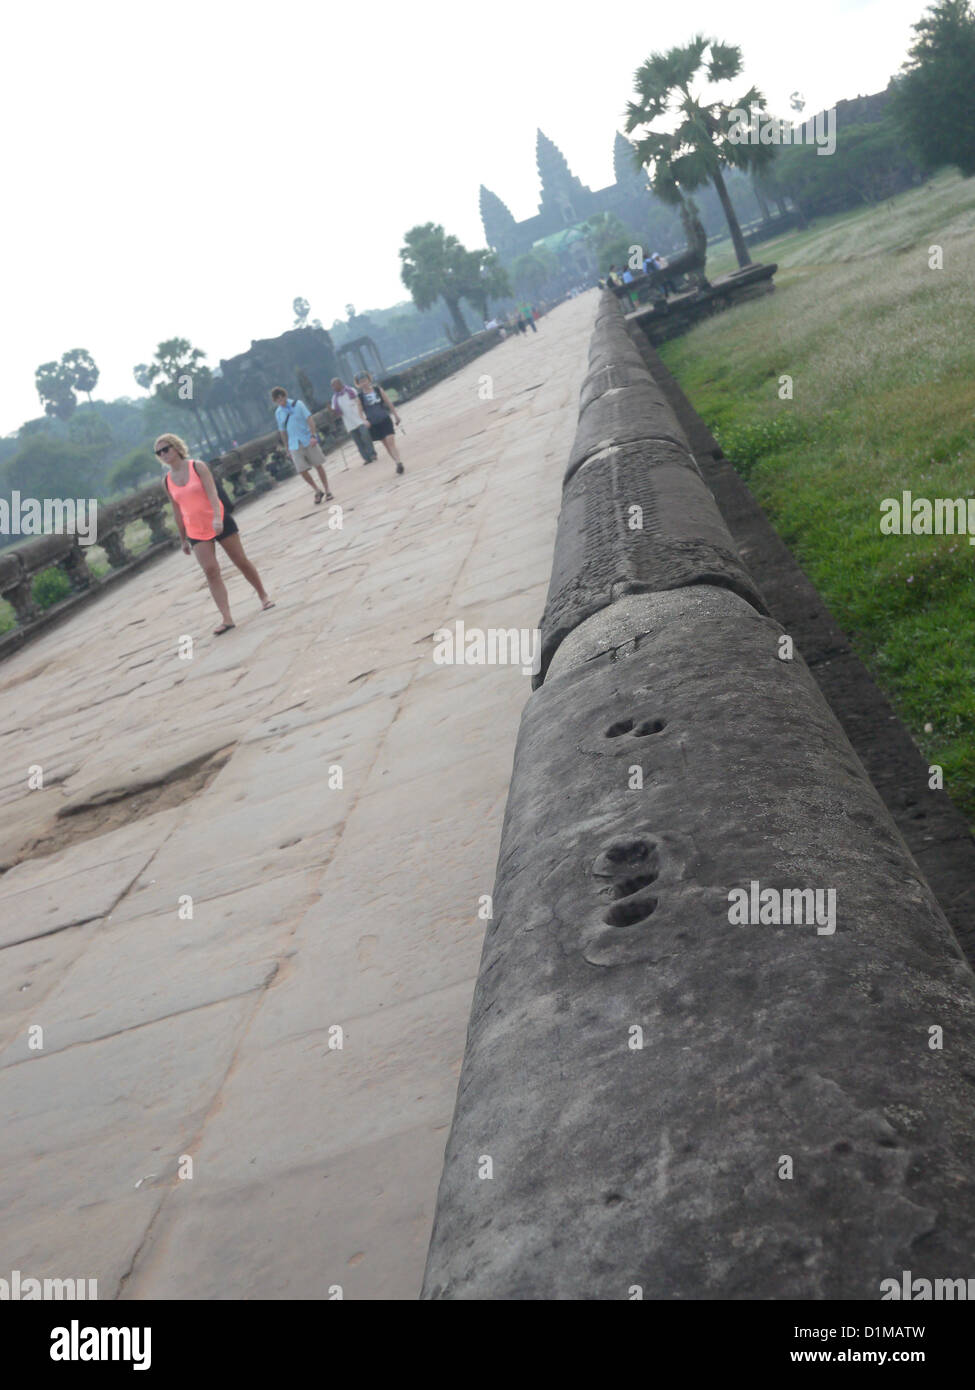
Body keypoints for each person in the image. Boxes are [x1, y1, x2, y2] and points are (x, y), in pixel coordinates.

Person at [158, 432, 273, 636]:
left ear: (176, 448)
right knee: (210, 571)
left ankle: (263, 595)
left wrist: (218, 518)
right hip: (195, 529)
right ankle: (226, 618)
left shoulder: (197, 466)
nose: (163, 454)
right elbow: (177, 510)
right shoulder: (167, 481)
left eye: (165, 449)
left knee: (240, 560)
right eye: (158, 453)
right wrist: (183, 539)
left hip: (218, 520)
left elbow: (212, 493)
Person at [271, 387, 333, 502]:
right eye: (277, 399)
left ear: (285, 396)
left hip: (307, 438)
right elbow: (283, 431)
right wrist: (287, 448)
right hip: (294, 443)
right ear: (275, 401)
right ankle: (316, 490)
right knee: (301, 470)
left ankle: (327, 489)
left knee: (318, 465)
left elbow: (309, 420)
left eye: (281, 397)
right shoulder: (278, 412)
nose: (280, 400)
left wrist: (313, 435)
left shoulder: (298, 404)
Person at [354, 371, 405, 474]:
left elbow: (388, 402)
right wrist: (364, 421)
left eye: (365, 380)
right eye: (361, 382)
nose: (364, 383)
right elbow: (359, 412)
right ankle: (396, 462)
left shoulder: (377, 390)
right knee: (386, 444)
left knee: (390, 440)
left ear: (369, 380)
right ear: (358, 384)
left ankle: (399, 462)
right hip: (374, 423)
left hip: (385, 418)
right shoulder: (360, 397)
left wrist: (396, 415)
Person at [330, 376, 377, 463]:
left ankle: (372, 454)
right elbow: (335, 412)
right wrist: (333, 412)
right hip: (349, 423)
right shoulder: (334, 398)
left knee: (366, 436)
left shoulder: (351, 391)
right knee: (358, 442)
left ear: (340, 384)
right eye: (332, 386)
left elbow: (360, 402)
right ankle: (366, 458)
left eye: (334, 385)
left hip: (359, 419)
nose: (333, 387)